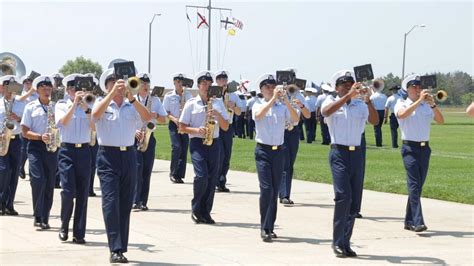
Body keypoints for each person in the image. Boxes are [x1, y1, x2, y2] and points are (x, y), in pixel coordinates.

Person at [92, 68, 152, 263]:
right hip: (107, 157)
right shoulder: (103, 104)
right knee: (110, 202)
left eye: (119, 82)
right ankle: (114, 248)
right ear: (106, 85)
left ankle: (121, 247)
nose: (117, 85)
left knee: (125, 204)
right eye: (113, 82)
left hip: (128, 156)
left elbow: (146, 117)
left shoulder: (130, 106)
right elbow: (94, 115)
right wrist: (111, 95)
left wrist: (132, 98)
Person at [322, 70, 378, 257]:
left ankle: (346, 242)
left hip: (357, 154)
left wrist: (368, 100)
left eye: (350, 84)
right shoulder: (330, 102)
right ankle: (337, 241)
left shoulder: (360, 105)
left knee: (354, 201)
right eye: (344, 84)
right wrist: (347, 96)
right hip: (339, 152)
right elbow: (325, 112)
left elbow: (375, 120)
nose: (348, 86)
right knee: (343, 196)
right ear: (336, 87)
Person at [179, 70, 229, 224]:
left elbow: (226, 127)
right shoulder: (191, 104)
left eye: (209, 83)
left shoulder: (218, 102)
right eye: (203, 83)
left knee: (212, 178)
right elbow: (181, 127)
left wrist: (218, 115)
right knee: (201, 176)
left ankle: (206, 212)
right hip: (197, 143)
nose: (206, 86)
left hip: (214, 143)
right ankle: (196, 209)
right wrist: (196, 130)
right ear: (198, 85)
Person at [395, 74, 444, 233]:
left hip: (425, 148)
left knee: (418, 186)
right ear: (407, 89)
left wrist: (432, 104)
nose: (418, 89)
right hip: (410, 148)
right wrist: (418, 101)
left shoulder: (425, 106)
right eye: (414, 87)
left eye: (419, 86)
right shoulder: (401, 103)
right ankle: (418, 221)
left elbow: (441, 121)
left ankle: (409, 220)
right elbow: (402, 115)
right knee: (414, 185)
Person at [253, 73, 298, 242]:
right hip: (263, 151)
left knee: (274, 190)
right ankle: (264, 227)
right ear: (262, 90)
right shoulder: (258, 105)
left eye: (273, 87)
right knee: (266, 189)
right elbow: (258, 116)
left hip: (278, 151)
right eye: (268, 87)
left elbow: (295, 119)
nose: (271, 90)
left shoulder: (282, 107)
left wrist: (285, 100)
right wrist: (272, 100)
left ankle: (270, 226)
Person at [55, 73, 94, 244]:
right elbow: (62, 122)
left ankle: (79, 232)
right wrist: (74, 105)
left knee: (83, 194)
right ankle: (64, 224)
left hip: (84, 151)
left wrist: (85, 107)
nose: (76, 92)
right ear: (67, 90)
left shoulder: (90, 104)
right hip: (67, 151)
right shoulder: (62, 104)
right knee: (68, 191)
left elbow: (95, 125)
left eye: (78, 88)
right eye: (72, 88)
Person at [21, 75, 60, 230]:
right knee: (38, 180)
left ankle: (45, 216)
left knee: (50, 182)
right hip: (36, 147)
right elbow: (24, 132)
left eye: (49, 87)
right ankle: (38, 215)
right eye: (43, 87)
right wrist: (39, 136)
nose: (46, 89)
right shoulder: (30, 107)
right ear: (37, 90)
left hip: (51, 148)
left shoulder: (56, 106)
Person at [132, 73, 166, 211]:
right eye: (142, 83)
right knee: (137, 170)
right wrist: (134, 131)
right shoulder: (132, 99)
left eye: (147, 83)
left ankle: (143, 201)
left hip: (149, 136)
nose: (145, 86)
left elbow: (164, 119)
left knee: (146, 171)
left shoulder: (155, 100)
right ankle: (135, 200)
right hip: (135, 137)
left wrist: (156, 115)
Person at [279, 83, 310, 205]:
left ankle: (284, 193)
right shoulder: (278, 94)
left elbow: (307, 115)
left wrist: (301, 105)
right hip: (280, 130)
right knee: (284, 163)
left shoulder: (299, 95)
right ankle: (283, 194)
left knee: (290, 163)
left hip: (293, 131)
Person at [163, 73, 193, 184]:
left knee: (184, 148)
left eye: (182, 81)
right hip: (174, 124)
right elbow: (166, 112)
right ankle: (173, 172)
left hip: (184, 124)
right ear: (174, 82)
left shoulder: (188, 95)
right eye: (178, 81)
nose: (180, 84)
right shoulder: (169, 96)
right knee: (176, 147)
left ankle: (179, 175)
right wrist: (174, 119)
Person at [0, 75, 23, 216]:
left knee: (14, 172)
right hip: (2, 139)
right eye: (8, 88)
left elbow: (26, 122)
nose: (10, 91)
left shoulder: (21, 103)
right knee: (4, 170)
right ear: (3, 87)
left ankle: (9, 204)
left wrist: (18, 118)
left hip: (16, 139)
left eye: (14, 88)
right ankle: (1, 201)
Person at [215, 70, 241, 192]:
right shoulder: (213, 94)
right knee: (218, 154)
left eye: (225, 79)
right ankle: (215, 180)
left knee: (226, 155)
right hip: (216, 126)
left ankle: (221, 181)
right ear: (216, 81)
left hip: (228, 127)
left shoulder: (233, 95)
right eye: (220, 79)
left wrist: (233, 106)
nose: (223, 82)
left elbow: (240, 112)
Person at [18, 74, 38, 180]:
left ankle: (31, 171)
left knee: (32, 149)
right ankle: (20, 166)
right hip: (23, 123)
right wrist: (30, 92)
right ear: (23, 84)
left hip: (34, 123)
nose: (28, 84)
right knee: (24, 149)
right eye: (26, 82)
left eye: (30, 82)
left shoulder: (36, 95)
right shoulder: (20, 94)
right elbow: (19, 100)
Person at [370, 79, 387, 147]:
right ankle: (379, 142)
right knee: (379, 127)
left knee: (376, 128)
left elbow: (370, 104)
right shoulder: (384, 96)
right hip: (382, 112)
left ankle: (378, 143)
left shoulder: (373, 96)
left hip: (376, 111)